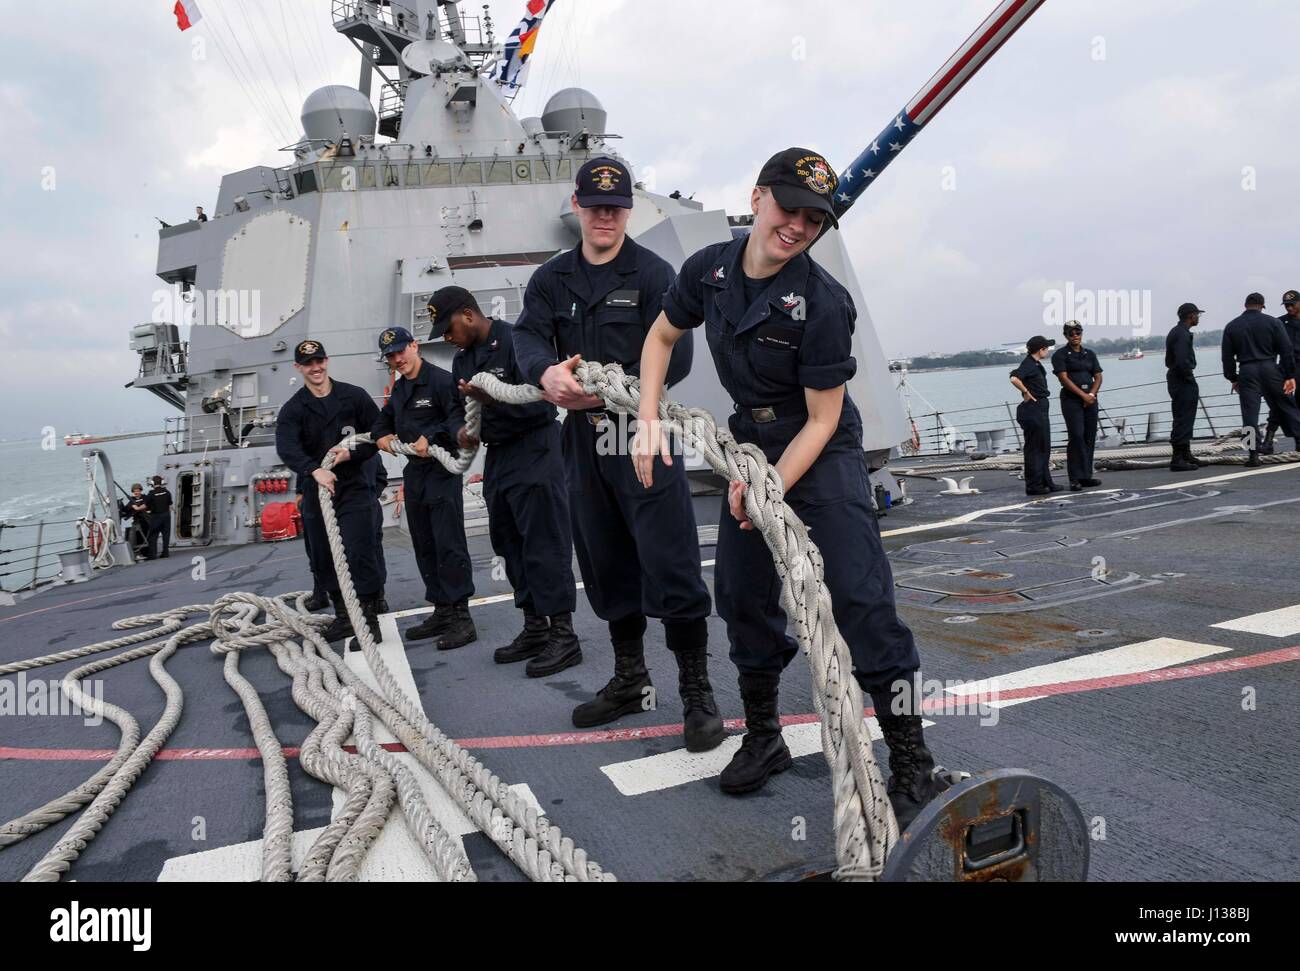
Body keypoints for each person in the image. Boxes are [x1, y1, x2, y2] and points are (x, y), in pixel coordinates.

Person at [633, 147, 944, 827]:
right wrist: (648, 421)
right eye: (789, 207)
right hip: (753, 445)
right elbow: (660, 338)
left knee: (861, 599)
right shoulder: (708, 271)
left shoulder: (823, 302)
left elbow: (827, 415)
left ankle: (912, 760)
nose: (799, 225)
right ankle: (765, 735)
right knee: (741, 596)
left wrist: (766, 486)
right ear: (757, 197)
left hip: (821, 450)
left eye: (815, 219)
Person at [512, 156, 724, 752]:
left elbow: (675, 353)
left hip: (643, 433)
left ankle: (696, 692)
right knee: (603, 561)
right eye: (596, 205)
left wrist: (634, 398)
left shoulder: (655, 274)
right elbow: (528, 335)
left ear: (628, 209)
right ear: (577, 206)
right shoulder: (551, 280)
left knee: (671, 561)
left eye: (617, 206)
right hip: (582, 441)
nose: (606, 215)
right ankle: (630, 678)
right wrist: (545, 373)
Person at [434, 285, 583, 677]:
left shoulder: (519, 343)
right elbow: (455, 409)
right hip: (499, 456)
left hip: (535, 448)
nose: (446, 338)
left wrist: (492, 400)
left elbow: (541, 399)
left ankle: (564, 636)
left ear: (468, 314)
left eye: (447, 328)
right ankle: (535, 626)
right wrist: (461, 431)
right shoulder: (462, 361)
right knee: (509, 541)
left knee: (544, 541)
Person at [372, 325, 476, 650]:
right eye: (391, 356)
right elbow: (383, 420)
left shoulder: (442, 381)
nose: (397, 359)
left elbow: (460, 421)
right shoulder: (401, 390)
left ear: (415, 346)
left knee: (449, 544)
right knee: (424, 543)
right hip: (415, 474)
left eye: (401, 351)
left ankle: (462, 618)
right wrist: (382, 436)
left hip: (442, 471)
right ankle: (442, 609)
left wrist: (430, 438)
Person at [276, 339, 385, 643]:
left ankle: (368, 618)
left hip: (354, 486)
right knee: (324, 555)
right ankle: (343, 615)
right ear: (299, 367)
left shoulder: (354, 397)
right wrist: (315, 469)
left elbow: (378, 432)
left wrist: (353, 454)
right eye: (308, 364)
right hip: (318, 491)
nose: (316, 368)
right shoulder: (294, 409)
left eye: (319, 361)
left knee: (359, 550)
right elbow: (287, 446)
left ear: (327, 360)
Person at [1221, 292, 1300, 465]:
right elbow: (1286, 351)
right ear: (1262, 306)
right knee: (1287, 406)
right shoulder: (1273, 322)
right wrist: (1289, 375)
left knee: (1249, 416)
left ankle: (1252, 455)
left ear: (1245, 305)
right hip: (1270, 368)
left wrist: (1233, 378)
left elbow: (1227, 358)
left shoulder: (1232, 326)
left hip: (1247, 371)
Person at [1051, 321, 1104, 490]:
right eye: (1071, 333)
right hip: (1071, 400)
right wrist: (1082, 395)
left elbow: (1098, 376)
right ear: (1066, 335)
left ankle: (1086, 476)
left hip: (1090, 399)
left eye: (1078, 332)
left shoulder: (1090, 354)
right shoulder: (1060, 355)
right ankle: (1074, 478)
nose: (1075, 336)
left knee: (1089, 436)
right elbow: (1063, 378)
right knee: (1076, 436)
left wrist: (1091, 395)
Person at [1010, 337, 1063, 495]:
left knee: (1044, 446)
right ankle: (1033, 485)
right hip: (1034, 408)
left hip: (1039, 407)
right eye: (1046, 348)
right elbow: (1014, 378)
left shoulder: (1034, 364)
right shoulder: (1029, 364)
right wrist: (1026, 392)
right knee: (1035, 448)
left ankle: (1046, 481)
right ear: (1041, 349)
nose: (1048, 350)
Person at [1165, 303, 1205, 472]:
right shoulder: (1182, 334)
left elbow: (1169, 361)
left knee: (1184, 416)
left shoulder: (1177, 331)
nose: (1198, 318)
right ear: (1191, 316)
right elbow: (1181, 361)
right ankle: (1178, 458)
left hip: (1176, 378)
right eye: (1197, 315)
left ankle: (1185, 453)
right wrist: (1189, 378)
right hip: (1182, 379)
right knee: (1183, 417)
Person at [1261, 289, 1300, 454]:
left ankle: (1298, 442)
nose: (1289, 308)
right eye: (1286, 305)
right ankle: (1266, 441)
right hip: (1285, 370)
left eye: (1292, 304)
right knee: (1279, 404)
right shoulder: (1279, 323)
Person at [145, 476, 173, 559]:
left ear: (153, 483)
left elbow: (147, 505)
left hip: (156, 517)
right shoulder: (167, 492)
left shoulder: (151, 493)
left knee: (153, 536)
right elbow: (169, 504)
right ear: (162, 482)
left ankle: (152, 555)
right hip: (166, 516)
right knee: (166, 535)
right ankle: (165, 553)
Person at [124, 484, 152, 559]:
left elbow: (147, 504)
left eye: (138, 491)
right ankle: (142, 553)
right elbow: (127, 508)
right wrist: (133, 506)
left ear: (141, 491)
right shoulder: (131, 500)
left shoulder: (145, 498)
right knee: (139, 537)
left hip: (147, 520)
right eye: (135, 491)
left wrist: (138, 507)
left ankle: (150, 553)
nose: (137, 493)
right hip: (138, 521)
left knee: (149, 536)